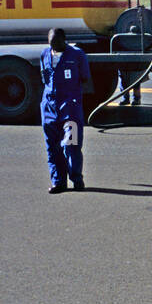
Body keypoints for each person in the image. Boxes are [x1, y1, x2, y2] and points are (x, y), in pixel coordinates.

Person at [40, 27, 92, 194]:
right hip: (49, 107)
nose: (54, 47)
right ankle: (58, 182)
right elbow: (45, 78)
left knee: (71, 144)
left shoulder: (77, 54)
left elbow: (85, 78)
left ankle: (76, 178)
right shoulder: (45, 55)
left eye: (57, 43)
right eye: (51, 44)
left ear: (64, 40)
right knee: (52, 146)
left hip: (70, 107)